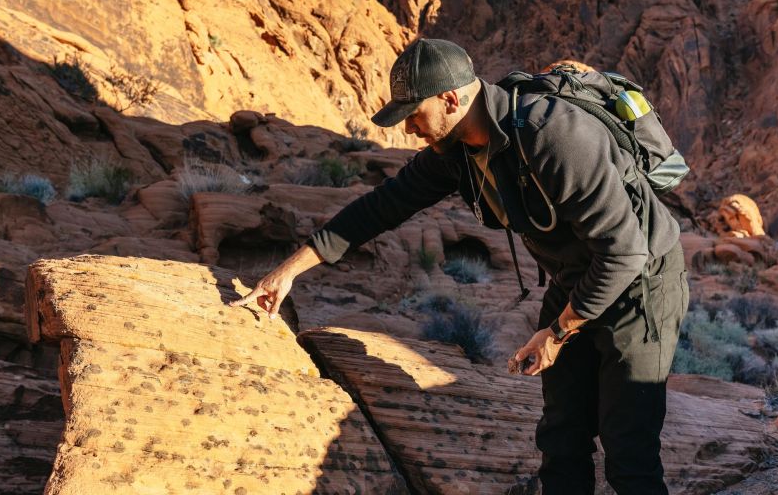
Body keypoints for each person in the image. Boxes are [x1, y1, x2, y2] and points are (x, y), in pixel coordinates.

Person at [231, 38, 688, 495]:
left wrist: (557, 332)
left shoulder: (554, 135)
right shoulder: (457, 153)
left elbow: (624, 252)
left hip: (642, 286)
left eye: (414, 113)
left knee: (629, 452)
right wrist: (289, 269)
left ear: (451, 98)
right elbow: (383, 207)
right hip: (578, 280)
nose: (409, 128)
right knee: (562, 438)